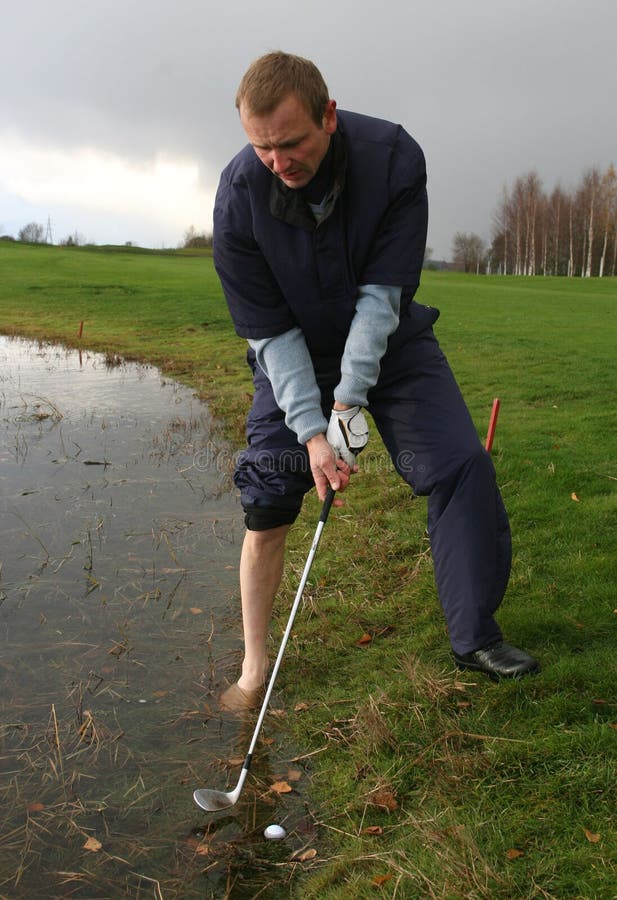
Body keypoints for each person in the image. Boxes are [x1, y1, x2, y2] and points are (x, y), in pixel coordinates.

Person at [212, 51, 539, 709]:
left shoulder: (391, 159)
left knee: (456, 464)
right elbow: (270, 336)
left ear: (327, 116)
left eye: (291, 141)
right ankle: (253, 664)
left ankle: (474, 636)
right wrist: (312, 432)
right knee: (267, 498)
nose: (278, 160)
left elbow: (380, 300)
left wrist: (349, 401)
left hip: (390, 345)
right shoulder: (239, 196)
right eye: (262, 147)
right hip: (294, 354)